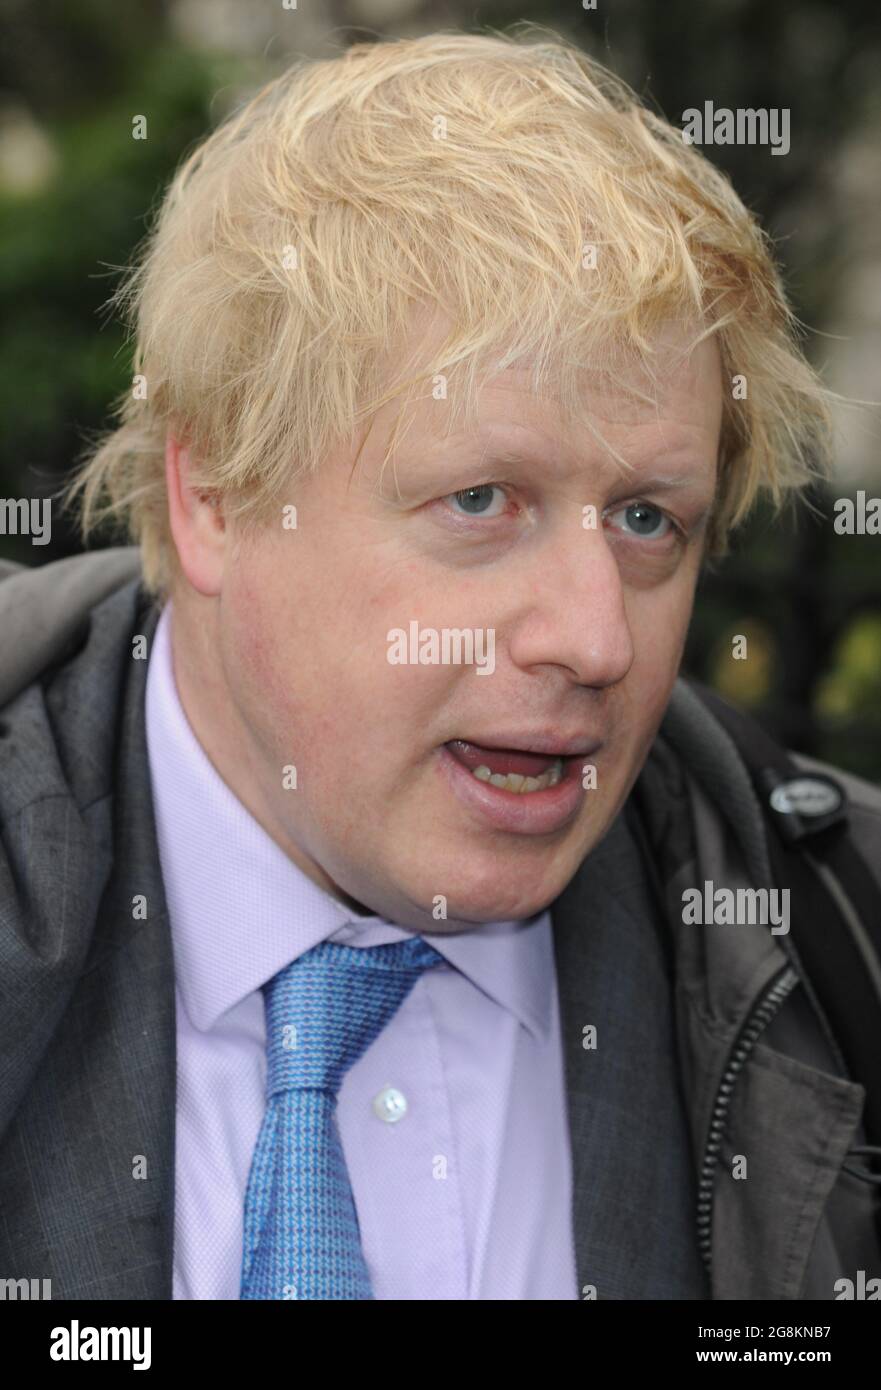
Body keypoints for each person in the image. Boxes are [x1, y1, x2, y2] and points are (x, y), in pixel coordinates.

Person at [1, 28, 879, 1302]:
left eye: (646, 519)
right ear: (214, 496)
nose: (592, 637)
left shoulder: (838, 937)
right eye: (481, 500)